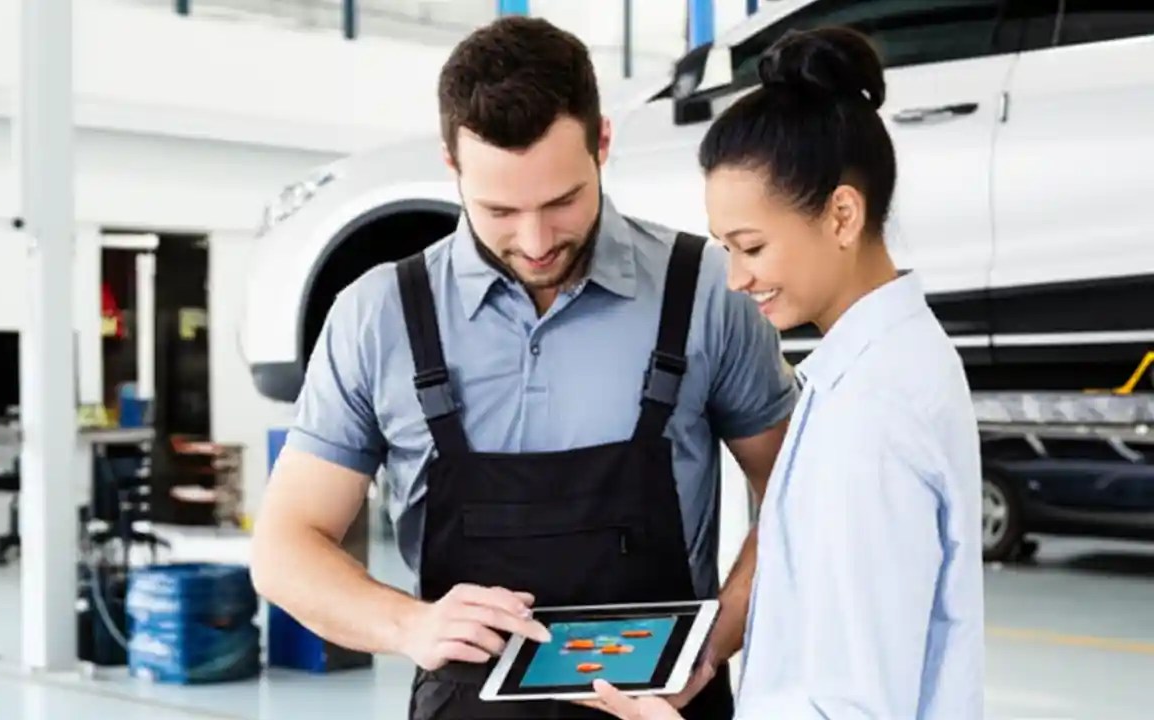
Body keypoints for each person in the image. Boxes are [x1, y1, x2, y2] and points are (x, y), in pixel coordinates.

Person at [248, 15, 798, 720]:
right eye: (500, 209)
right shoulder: (378, 317)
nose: (535, 241)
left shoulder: (709, 295)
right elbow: (285, 546)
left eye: (562, 201)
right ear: (453, 166)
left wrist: (713, 646)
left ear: (603, 142)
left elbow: (795, 500)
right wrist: (408, 624)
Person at [585, 26, 985, 720]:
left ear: (841, 215)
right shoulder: (879, 368)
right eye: (724, 249)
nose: (735, 279)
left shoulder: (874, 416)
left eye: (752, 247)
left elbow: (852, 705)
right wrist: (708, 652)